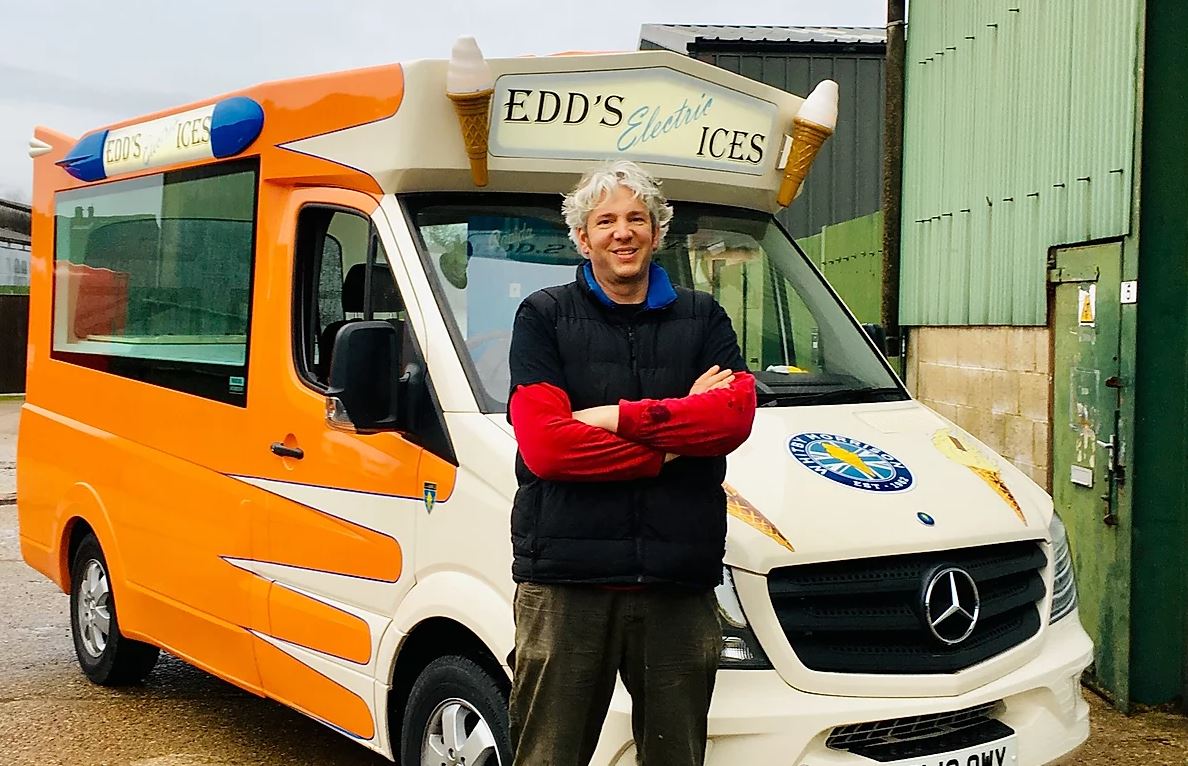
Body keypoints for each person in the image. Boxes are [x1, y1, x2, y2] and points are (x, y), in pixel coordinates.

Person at [506, 160, 757, 766]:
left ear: (657, 231)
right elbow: (546, 446)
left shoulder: (704, 318)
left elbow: (734, 418)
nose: (623, 232)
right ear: (582, 237)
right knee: (547, 758)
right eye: (606, 220)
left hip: (677, 586)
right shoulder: (543, 316)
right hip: (566, 586)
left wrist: (616, 418)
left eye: (637, 218)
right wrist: (674, 443)